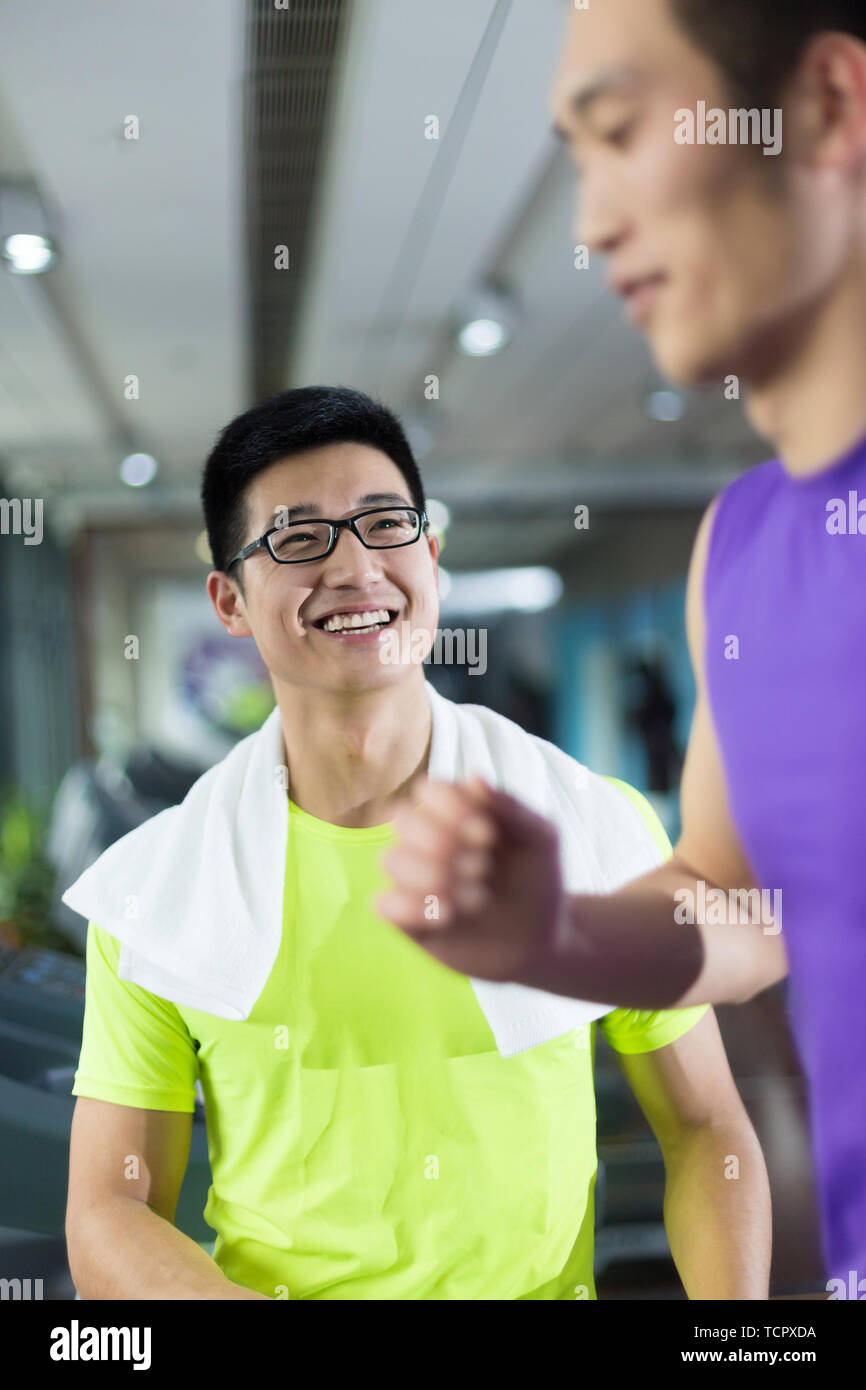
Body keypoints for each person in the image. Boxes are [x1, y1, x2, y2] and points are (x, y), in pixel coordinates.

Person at [63, 387, 769, 1300]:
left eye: (385, 524)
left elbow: (708, 1129)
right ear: (230, 602)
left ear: (430, 560)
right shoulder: (155, 894)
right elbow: (108, 1211)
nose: (357, 567)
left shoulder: (591, 826)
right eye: (297, 537)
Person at [377, 0, 866, 1287]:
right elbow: (739, 901)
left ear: (823, 107)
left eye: (619, 132)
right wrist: (550, 935)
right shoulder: (743, 547)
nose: (588, 222)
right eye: (574, 157)